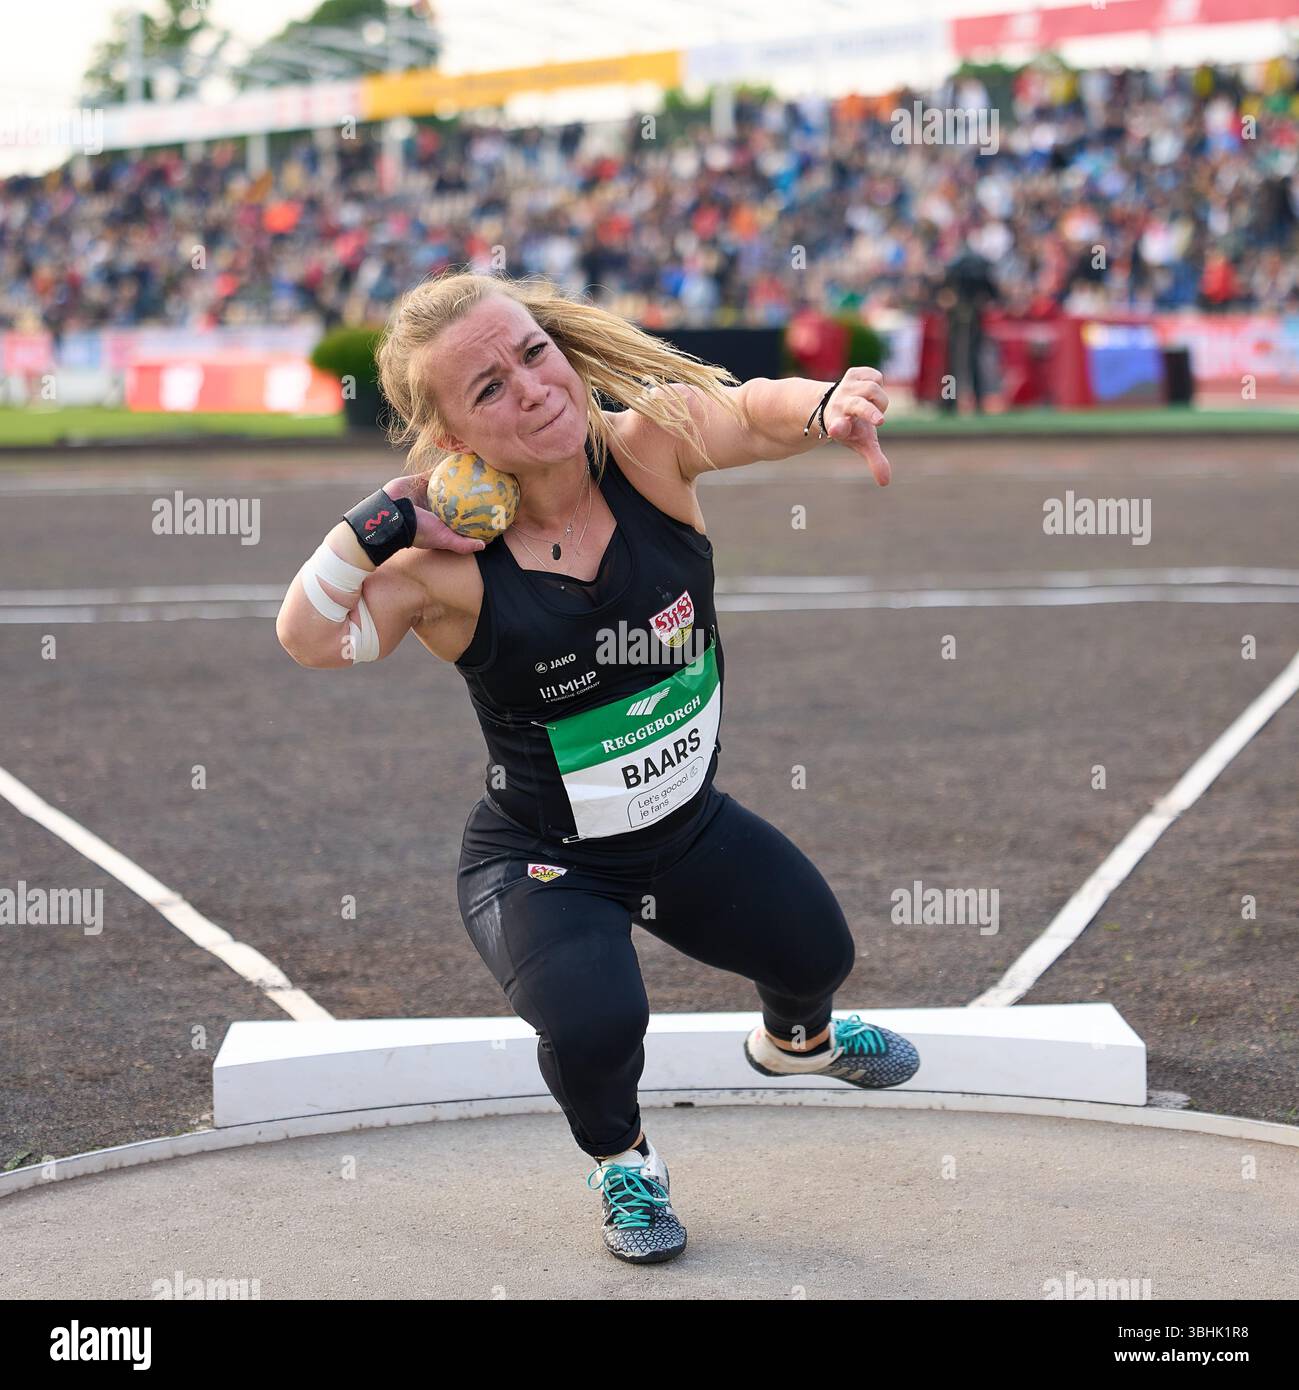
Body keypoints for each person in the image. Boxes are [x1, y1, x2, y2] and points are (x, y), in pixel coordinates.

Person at [275, 269, 920, 1265]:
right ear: (454, 441)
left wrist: (828, 403)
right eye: (488, 388)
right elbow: (311, 640)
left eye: (533, 352)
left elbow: (753, 408)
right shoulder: (442, 573)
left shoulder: (652, 449)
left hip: (691, 832)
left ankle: (801, 1042)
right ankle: (624, 1161)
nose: (531, 387)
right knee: (596, 1022)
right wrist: (371, 529)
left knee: (818, 955)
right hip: (544, 862)